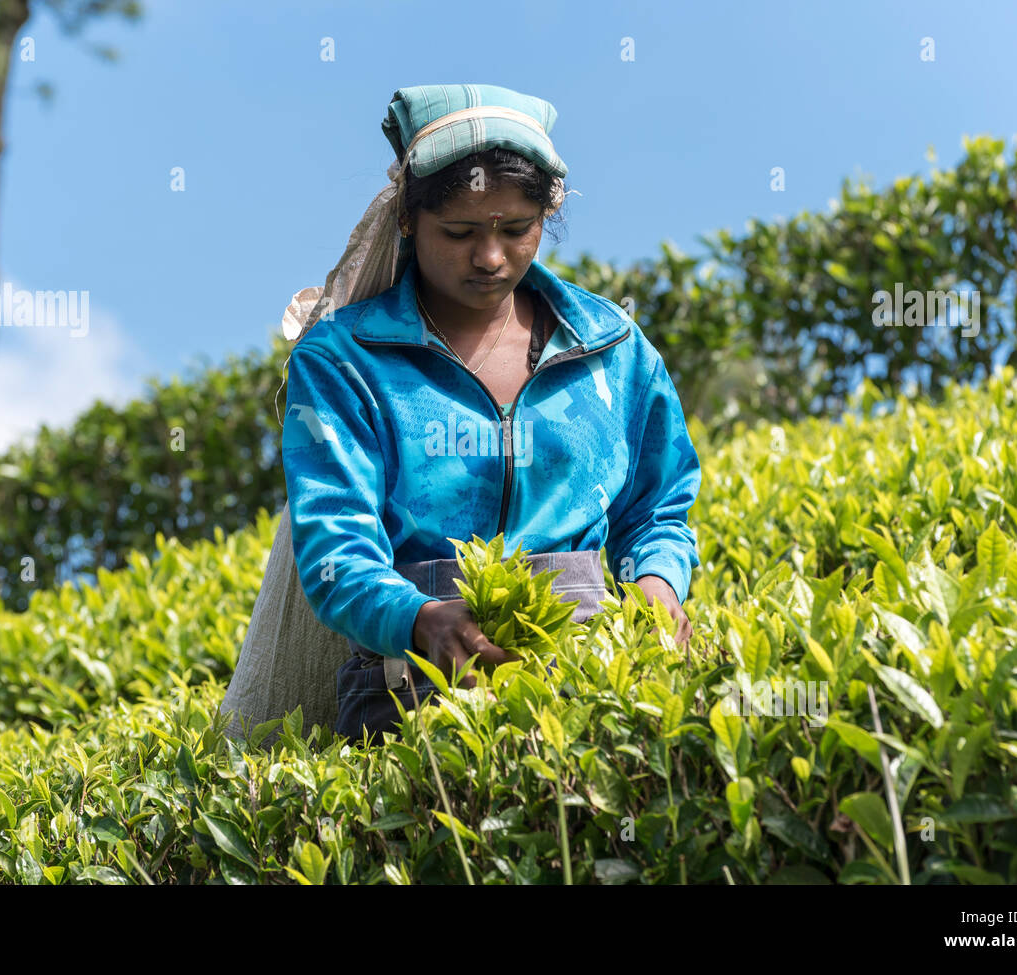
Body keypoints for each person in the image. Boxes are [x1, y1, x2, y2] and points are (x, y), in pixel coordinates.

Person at [275, 83, 703, 744]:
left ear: (547, 214)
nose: (491, 257)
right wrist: (417, 618)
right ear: (410, 220)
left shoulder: (613, 347)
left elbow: (656, 507)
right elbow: (335, 543)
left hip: (593, 676)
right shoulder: (343, 360)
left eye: (515, 228)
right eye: (461, 232)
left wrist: (655, 581)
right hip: (410, 690)